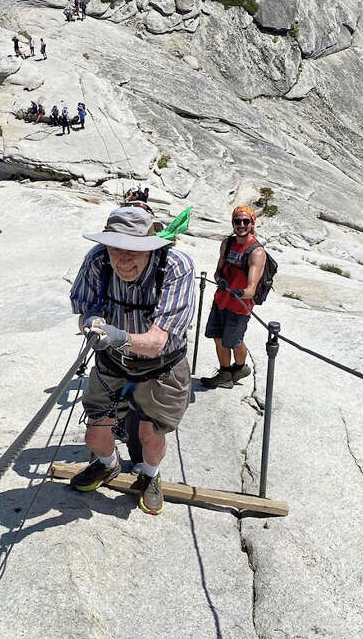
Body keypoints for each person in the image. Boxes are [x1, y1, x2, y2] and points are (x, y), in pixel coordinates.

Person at [69, 206, 195, 515]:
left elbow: (157, 342)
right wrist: (94, 324)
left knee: (150, 436)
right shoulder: (98, 259)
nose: (123, 259)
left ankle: (150, 475)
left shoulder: (175, 267)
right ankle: (107, 464)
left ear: (149, 247)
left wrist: (118, 336)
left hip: (162, 367)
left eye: (134, 250)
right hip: (113, 363)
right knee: (95, 434)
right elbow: (85, 308)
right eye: (116, 248)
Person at [200, 206, 266, 389]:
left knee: (234, 341)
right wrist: (220, 280)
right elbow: (217, 272)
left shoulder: (257, 252)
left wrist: (240, 293)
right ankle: (225, 374)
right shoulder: (227, 244)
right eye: (238, 221)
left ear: (253, 224)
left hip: (239, 305)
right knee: (218, 338)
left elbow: (252, 289)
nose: (241, 225)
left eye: (246, 221)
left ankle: (240, 368)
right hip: (221, 299)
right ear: (233, 223)